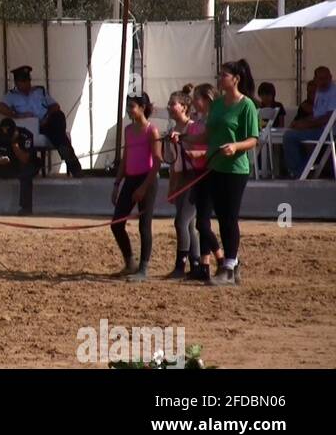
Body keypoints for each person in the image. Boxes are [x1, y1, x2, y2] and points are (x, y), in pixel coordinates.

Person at [173, 59, 260, 286]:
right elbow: (207, 136)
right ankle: (231, 263)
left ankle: (229, 267)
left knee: (229, 217)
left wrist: (235, 146)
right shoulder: (219, 104)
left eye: (224, 75)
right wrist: (184, 137)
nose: (220, 78)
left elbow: (253, 139)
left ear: (236, 79)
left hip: (235, 169)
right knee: (219, 218)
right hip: (214, 167)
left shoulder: (246, 105)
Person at [109, 92, 162, 282]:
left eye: (132, 106)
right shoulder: (128, 130)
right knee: (116, 223)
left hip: (147, 179)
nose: (130, 110)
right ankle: (129, 262)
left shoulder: (151, 131)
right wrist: (117, 183)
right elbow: (125, 159)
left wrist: (144, 187)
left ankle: (143, 268)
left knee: (144, 225)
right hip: (130, 179)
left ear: (142, 108)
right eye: (128, 106)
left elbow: (157, 161)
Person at [0, 65, 82, 177]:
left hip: (48, 122)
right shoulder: (12, 96)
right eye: (23, 82)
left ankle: (66, 153)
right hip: (31, 128)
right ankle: (74, 166)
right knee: (59, 137)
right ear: (17, 83)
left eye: (28, 81)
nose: (27, 84)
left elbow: (55, 106)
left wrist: (46, 118)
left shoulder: (40, 91)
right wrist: (17, 115)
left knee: (58, 116)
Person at [184, 83, 225, 280]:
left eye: (197, 98)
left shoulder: (213, 119)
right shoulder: (200, 119)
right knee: (203, 220)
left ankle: (223, 260)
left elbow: (214, 146)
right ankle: (205, 265)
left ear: (207, 99)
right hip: (199, 172)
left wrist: (198, 152)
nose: (193, 102)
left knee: (202, 223)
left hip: (209, 173)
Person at [164, 86, 201, 279]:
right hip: (180, 178)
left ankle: (181, 265)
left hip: (194, 178)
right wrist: (172, 186)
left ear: (184, 107)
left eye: (173, 104)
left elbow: (198, 151)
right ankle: (195, 264)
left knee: (181, 222)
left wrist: (182, 140)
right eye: (169, 104)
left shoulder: (193, 128)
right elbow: (172, 163)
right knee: (189, 224)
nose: (169, 107)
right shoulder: (172, 131)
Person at [283, 66, 336, 178]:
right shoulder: (319, 91)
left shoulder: (333, 92)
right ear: (315, 79)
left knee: (289, 137)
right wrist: (301, 122)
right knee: (293, 133)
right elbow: (317, 115)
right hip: (321, 130)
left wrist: (306, 125)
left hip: (328, 132)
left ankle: (299, 172)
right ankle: (305, 170)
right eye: (320, 79)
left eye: (326, 78)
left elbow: (328, 118)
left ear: (331, 77)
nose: (324, 81)